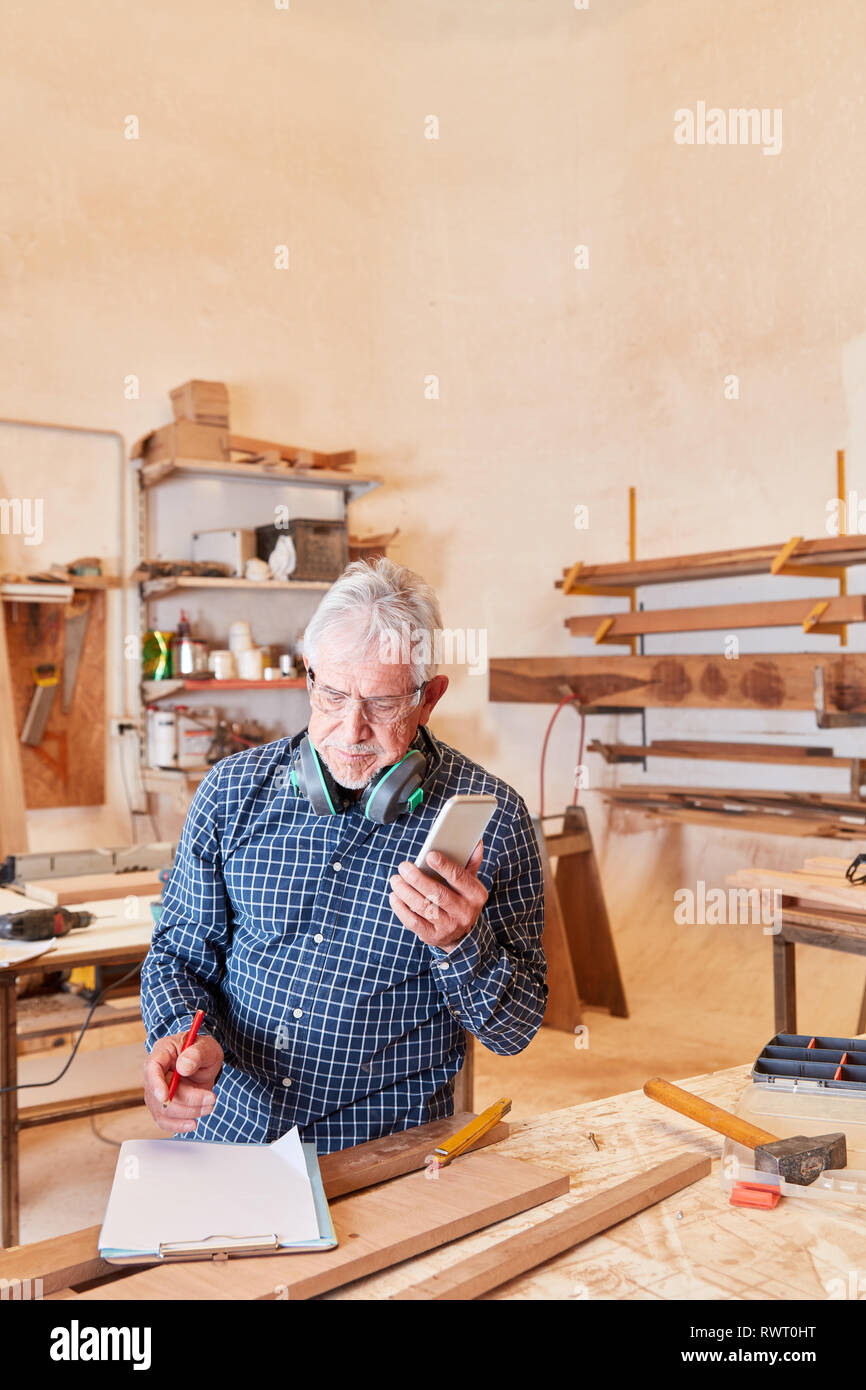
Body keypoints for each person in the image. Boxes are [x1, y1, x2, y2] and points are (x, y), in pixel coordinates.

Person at [141, 557, 546, 1151]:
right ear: (309, 677)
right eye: (331, 696)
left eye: (382, 705)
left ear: (428, 698)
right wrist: (180, 1037)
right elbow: (177, 953)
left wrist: (462, 947)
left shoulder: (493, 821)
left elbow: (514, 1032)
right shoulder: (231, 791)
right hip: (230, 1131)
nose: (351, 731)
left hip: (385, 1148)